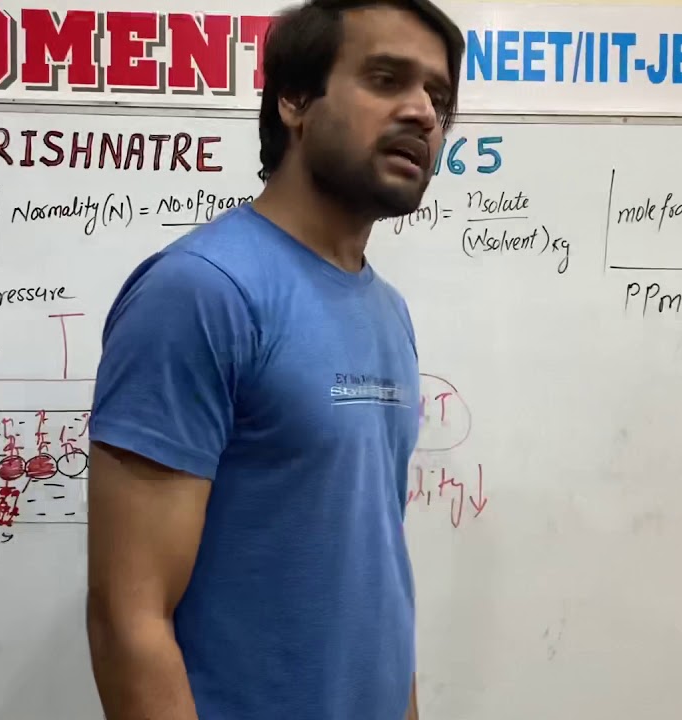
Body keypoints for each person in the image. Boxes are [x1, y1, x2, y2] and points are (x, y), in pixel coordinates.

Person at [84, 0, 464, 718]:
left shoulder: (388, 311)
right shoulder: (201, 293)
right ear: (294, 100)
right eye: (386, 79)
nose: (422, 112)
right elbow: (127, 621)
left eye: (437, 97)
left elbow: (373, 582)